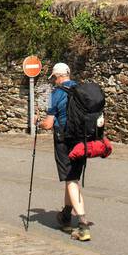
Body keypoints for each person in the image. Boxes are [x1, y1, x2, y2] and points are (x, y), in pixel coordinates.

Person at [37, 62, 91, 241]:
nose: (53, 82)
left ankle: (83, 225)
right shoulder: (82, 90)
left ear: (59, 77)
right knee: (72, 177)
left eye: (54, 78)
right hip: (82, 140)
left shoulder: (57, 93)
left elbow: (49, 124)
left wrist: (38, 121)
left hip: (64, 141)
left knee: (71, 179)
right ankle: (66, 215)